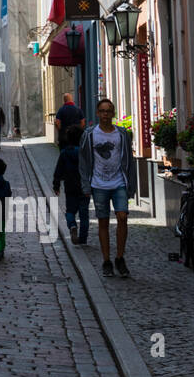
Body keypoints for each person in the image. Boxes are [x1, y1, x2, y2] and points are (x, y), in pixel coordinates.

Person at [77, 98, 137, 278]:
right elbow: (83, 161)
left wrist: (131, 185)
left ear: (113, 114)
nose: (105, 115)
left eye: (108, 111)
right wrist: (85, 185)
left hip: (118, 182)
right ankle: (106, 261)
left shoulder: (121, 134)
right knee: (103, 222)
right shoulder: (89, 135)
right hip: (98, 184)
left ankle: (120, 257)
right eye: (102, 111)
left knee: (122, 217)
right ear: (97, 113)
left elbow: (129, 161)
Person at [52, 140, 89, 245]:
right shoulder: (85, 152)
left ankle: (72, 225)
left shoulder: (64, 153)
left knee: (70, 211)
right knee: (84, 213)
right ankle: (83, 238)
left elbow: (58, 170)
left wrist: (56, 185)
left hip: (70, 187)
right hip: (84, 186)